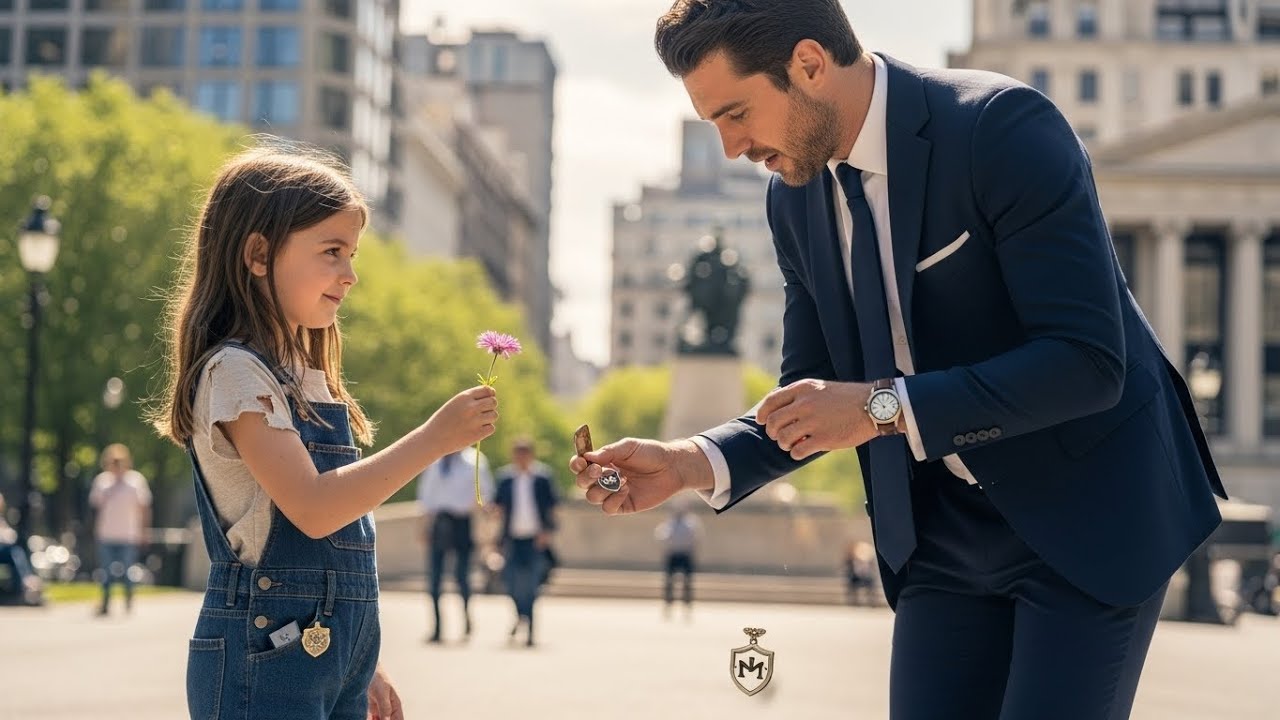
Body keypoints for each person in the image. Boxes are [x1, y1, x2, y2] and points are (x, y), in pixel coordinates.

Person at [570, 2, 1226, 718]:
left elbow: (1087, 361)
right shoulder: (794, 201)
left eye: (736, 114)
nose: (732, 147)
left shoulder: (1002, 128)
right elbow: (811, 395)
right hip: (941, 532)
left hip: (1088, 512)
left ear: (810, 65)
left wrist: (881, 408)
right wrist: (690, 461)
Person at [151, 144, 498, 720]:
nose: (351, 275)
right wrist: (436, 438)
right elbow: (313, 508)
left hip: (322, 648)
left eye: (352, 254)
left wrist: (361, 661)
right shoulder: (236, 372)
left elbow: (340, 531)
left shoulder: (305, 377)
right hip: (264, 654)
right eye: (332, 252)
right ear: (258, 253)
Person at [416, 447, 493, 643]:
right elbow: (425, 497)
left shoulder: (474, 460)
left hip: (462, 523)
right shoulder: (434, 459)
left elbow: (485, 493)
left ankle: (466, 619)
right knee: (434, 578)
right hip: (439, 523)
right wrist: (424, 527)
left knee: (462, 576)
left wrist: (483, 525)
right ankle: (437, 627)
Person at [493, 438, 558, 647]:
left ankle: (530, 630)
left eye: (524, 454)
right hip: (511, 539)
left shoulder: (543, 477)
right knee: (510, 581)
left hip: (534, 539)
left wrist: (547, 533)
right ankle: (521, 614)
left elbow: (552, 508)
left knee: (531, 585)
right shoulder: (505, 478)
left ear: (531, 455)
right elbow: (498, 508)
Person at [88, 443, 152, 616]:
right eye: (112, 462)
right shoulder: (102, 482)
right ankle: (105, 603)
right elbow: (96, 506)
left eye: (119, 462)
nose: (116, 465)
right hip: (106, 533)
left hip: (129, 534)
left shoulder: (136, 481)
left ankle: (128, 599)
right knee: (105, 572)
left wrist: (144, 531)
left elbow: (144, 508)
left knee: (127, 571)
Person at [654, 503, 700, 617]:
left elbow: (696, 538)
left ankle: (687, 606)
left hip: (685, 554)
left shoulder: (691, 522)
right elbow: (661, 536)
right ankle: (668, 605)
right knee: (669, 582)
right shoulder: (670, 523)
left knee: (687, 583)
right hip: (673, 554)